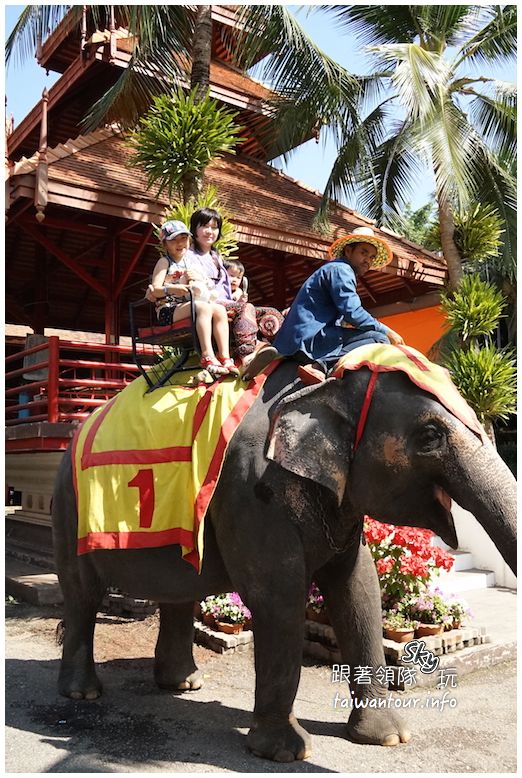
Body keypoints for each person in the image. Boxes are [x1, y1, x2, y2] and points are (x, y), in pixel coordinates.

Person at [273, 226, 404, 384]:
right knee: (379, 339)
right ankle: (320, 366)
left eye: (372, 257)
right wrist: (388, 331)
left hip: (300, 338)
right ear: (348, 251)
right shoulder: (341, 270)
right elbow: (353, 313)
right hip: (310, 339)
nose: (368, 260)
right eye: (364, 252)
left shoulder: (334, 269)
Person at [185, 208, 277, 378]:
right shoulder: (188, 255)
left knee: (269, 313)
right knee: (245, 308)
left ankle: (276, 349)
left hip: (226, 302)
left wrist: (237, 296)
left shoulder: (216, 257)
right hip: (209, 303)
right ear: (194, 229)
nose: (210, 231)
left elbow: (225, 288)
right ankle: (247, 356)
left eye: (214, 227)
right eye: (205, 226)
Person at [149, 219, 238, 378]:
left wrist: (199, 278)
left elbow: (205, 283)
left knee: (218, 309)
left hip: (189, 305)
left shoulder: (191, 262)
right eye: (174, 240)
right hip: (168, 310)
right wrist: (172, 288)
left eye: (183, 238)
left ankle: (224, 356)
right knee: (202, 307)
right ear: (165, 244)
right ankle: (207, 355)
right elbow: (154, 290)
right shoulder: (164, 262)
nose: (180, 243)